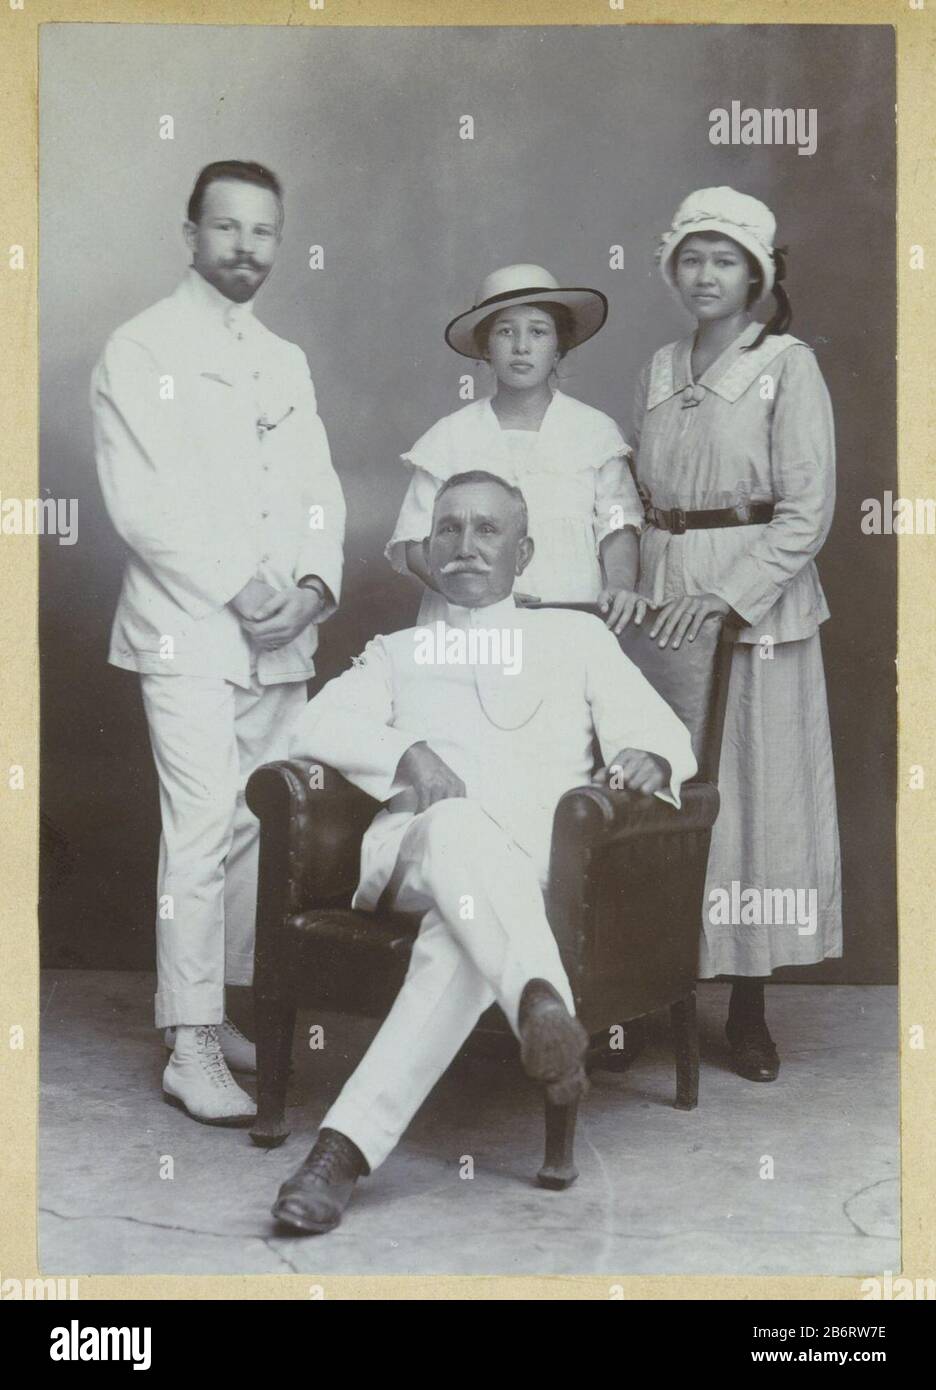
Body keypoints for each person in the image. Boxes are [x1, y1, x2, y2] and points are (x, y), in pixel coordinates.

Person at [270, 470, 696, 1233]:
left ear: (524, 552)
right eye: (449, 529)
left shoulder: (576, 638)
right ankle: (542, 996)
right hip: (417, 853)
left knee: (459, 936)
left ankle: (338, 1154)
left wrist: (649, 762)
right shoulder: (398, 651)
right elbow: (311, 727)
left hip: (527, 870)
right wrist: (407, 755)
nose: (465, 545)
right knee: (461, 828)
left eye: (488, 530)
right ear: (430, 548)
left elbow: (657, 733)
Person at [91, 160, 346, 1125]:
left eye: (265, 232)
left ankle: (221, 1008)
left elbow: (321, 486)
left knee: (256, 830)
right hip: (188, 629)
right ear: (190, 233)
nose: (247, 248)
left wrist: (316, 587)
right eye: (228, 228)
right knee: (200, 825)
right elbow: (143, 503)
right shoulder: (139, 347)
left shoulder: (283, 357)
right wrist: (244, 589)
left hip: (281, 632)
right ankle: (186, 1040)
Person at [630, 186, 842, 1082]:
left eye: (725, 260)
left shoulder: (787, 364)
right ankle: (646, 990)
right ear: (672, 267)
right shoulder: (657, 366)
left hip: (752, 606)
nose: (706, 274)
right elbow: (639, 495)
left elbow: (808, 512)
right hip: (663, 592)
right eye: (693, 258)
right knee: (660, 794)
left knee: (750, 801)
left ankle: (747, 1008)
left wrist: (725, 598)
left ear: (757, 276)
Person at [387, 263, 646, 632]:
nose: (521, 347)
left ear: (559, 348)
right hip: (468, 622)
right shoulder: (450, 437)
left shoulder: (594, 432)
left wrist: (620, 585)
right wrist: (473, 594)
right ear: (486, 348)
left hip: (569, 614)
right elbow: (414, 542)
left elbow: (618, 524)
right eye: (505, 332)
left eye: (538, 332)